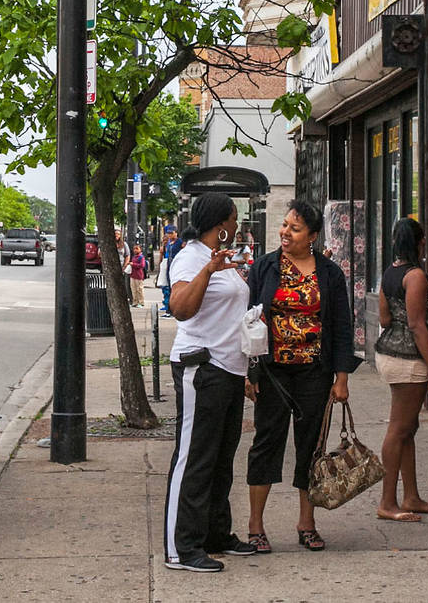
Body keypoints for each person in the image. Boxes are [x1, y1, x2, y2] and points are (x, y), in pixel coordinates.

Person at [244, 200, 359, 553]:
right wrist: (250, 372)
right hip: (273, 372)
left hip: (315, 373)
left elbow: (341, 326)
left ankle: (306, 523)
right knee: (266, 444)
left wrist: (341, 377)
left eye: (294, 229)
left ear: (311, 235)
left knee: (311, 447)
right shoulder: (264, 268)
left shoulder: (329, 273)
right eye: (284, 226)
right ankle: (255, 525)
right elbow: (248, 322)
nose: (285, 233)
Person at [164, 192, 257, 572]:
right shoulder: (190, 257)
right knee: (195, 458)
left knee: (221, 459)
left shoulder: (224, 259)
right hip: (202, 367)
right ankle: (181, 547)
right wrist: (208, 271)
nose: (237, 227)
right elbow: (181, 308)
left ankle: (216, 533)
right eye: (234, 220)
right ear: (220, 226)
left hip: (230, 369)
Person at [374, 217, 428, 521]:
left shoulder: (389, 273)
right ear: (419, 243)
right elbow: (417, 326)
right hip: (409, 359)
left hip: (390, 353)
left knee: (408, 428)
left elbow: (385, 319)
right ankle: (387, 502)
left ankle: (411, 496)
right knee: (399, 429)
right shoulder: (416, 275)